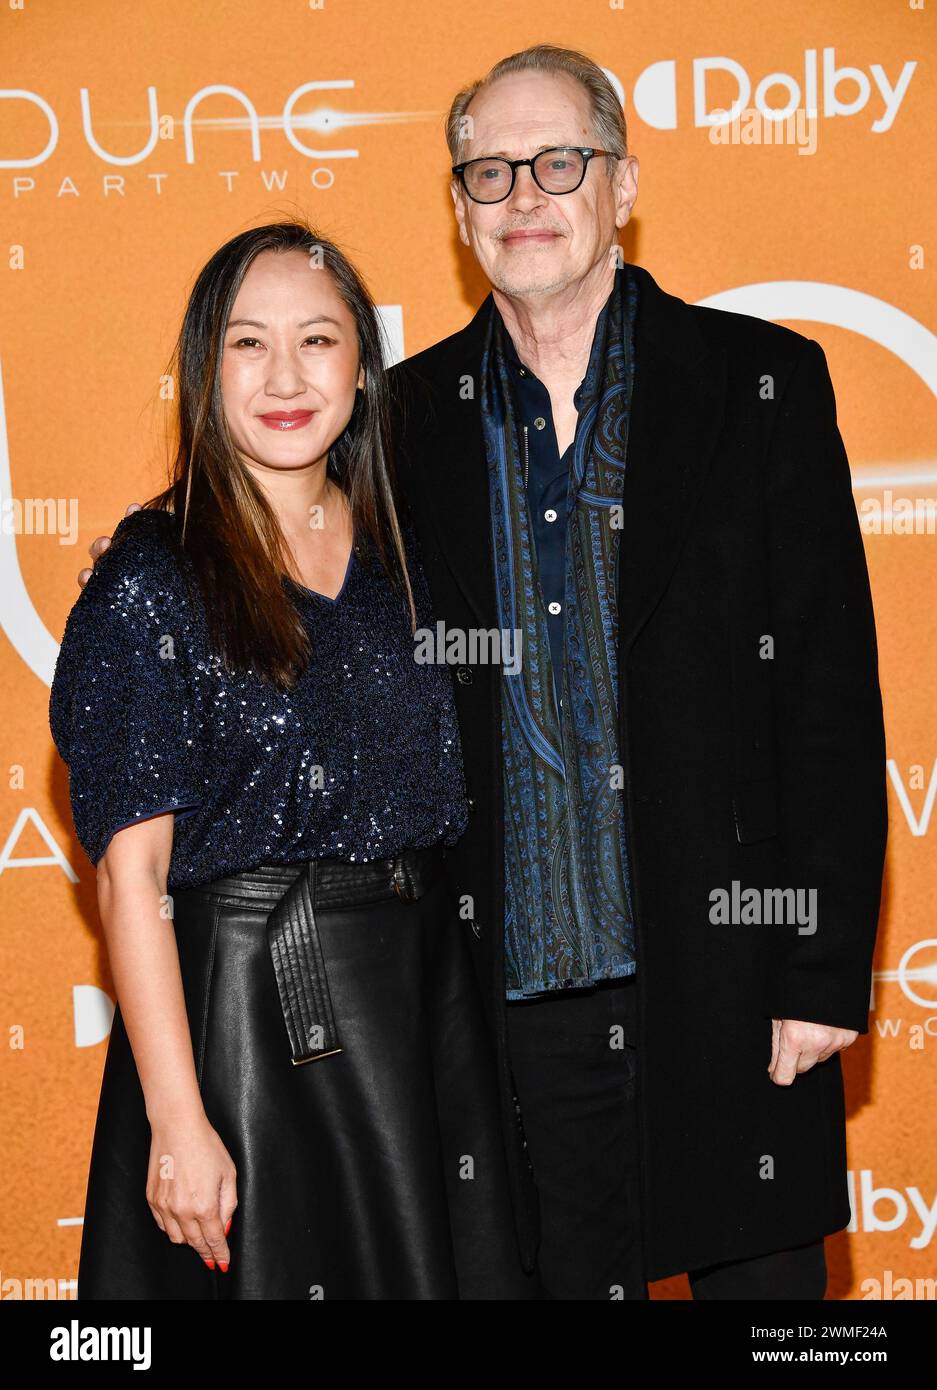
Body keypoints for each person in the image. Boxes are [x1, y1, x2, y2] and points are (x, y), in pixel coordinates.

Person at [81, 46, 889, 1301]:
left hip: (732, 993)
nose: (524, 193)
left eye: (557, 161)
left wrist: (822, 967)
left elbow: (828, 696)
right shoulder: (397, 426)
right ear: (457, 210)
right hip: (508, 1028)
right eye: (489, 170)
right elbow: (266, 570)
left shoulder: (760, 382)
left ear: (619, 182)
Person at [52, 220, 534, 1301]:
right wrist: (177, 1118)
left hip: (422, 1008)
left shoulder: (408, 553)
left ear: (363, 370)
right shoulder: (152, 576)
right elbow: (132, 880)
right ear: (200, 366)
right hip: (249, 1023)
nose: (283, 376)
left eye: (317, 341)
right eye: (246, 343)